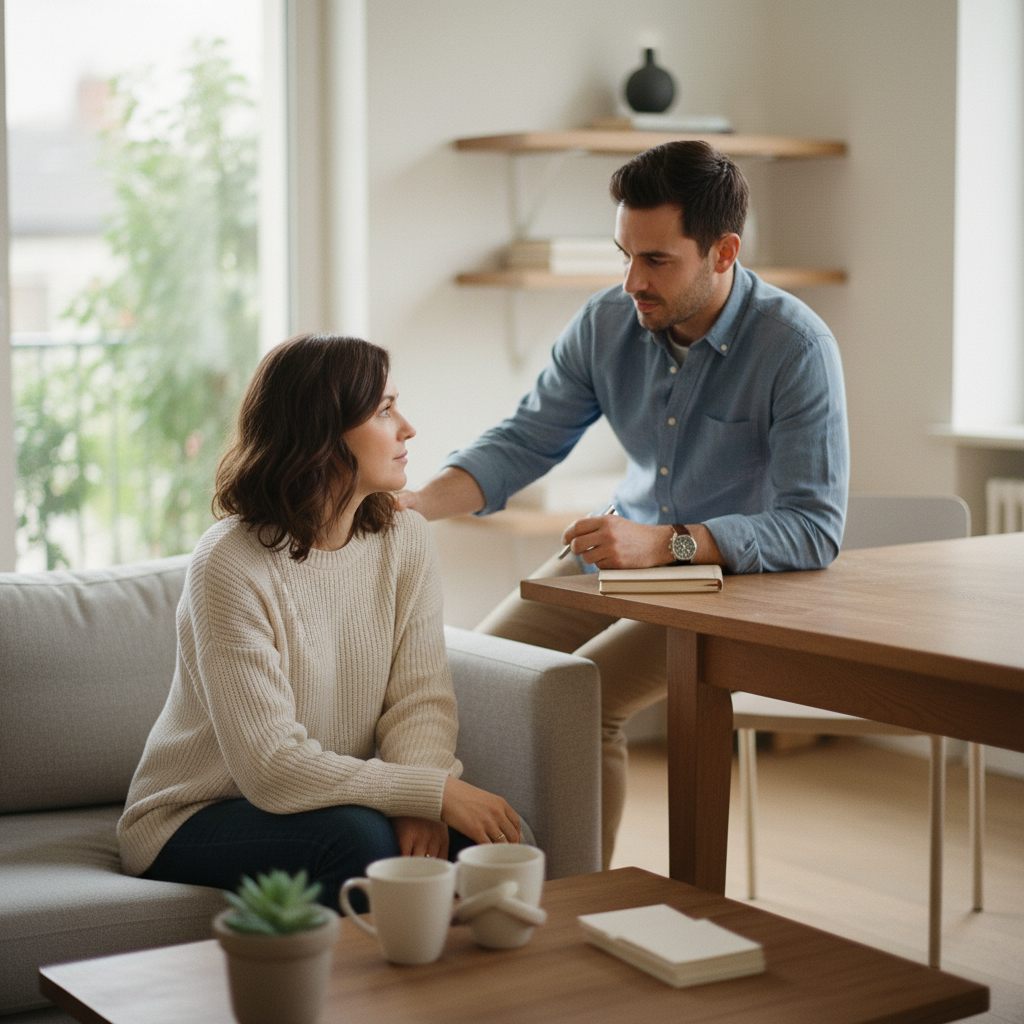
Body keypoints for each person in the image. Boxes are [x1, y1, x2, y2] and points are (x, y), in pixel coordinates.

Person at [399, 141, 849, 868]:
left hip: (740, 583)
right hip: (623, 553)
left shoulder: (795, 346)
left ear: (723, 250)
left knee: (585, 701)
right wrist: (415, 504)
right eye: (625, 255)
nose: (632, 281)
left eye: (657, 261)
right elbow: (523, 440)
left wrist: (664, 542)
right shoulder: (609, 323)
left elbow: (812, 528)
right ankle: (496, 881)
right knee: (479, 682)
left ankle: (582, 898)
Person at [118, 333, 521, 909]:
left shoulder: (405, 538)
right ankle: (356, 1002)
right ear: (324, 435)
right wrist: (428, 792)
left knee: (486, 840)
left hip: (328, 801)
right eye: (384, 410)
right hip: (193, 815)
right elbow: (271, 767)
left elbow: (421, 700)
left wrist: (419, 803)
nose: (407, 427)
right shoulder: (230, 563)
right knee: (359, 839)